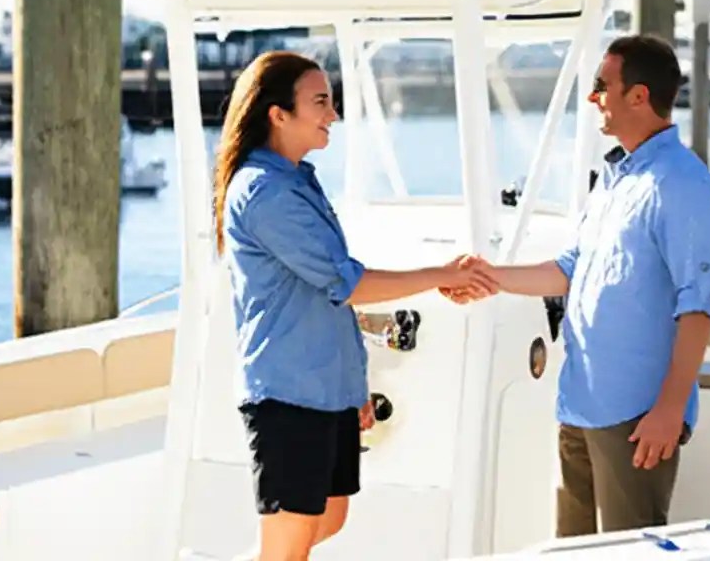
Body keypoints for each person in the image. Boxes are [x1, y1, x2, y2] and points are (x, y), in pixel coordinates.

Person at [213, 50, 497, 561]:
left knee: (332, 515)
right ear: (278, 114)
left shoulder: (299, 181)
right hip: (288, 394)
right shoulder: (264, 194)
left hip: (326, 389)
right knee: (289, 547)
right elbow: (344, 284)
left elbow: (325, 298)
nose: (333, 114)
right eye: (320, 102)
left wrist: (352, 387)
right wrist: (442, 275)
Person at [449, 34, 710, 536]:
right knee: (572, 551)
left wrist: (668, 410)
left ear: (638, 96)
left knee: (626, 551)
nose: (594, 97)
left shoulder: (682, 184)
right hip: (579, 406)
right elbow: (570, 269)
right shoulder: (614, 180)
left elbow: (699, 308)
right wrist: (487, 277)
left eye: (602, 85)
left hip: (636, 418)